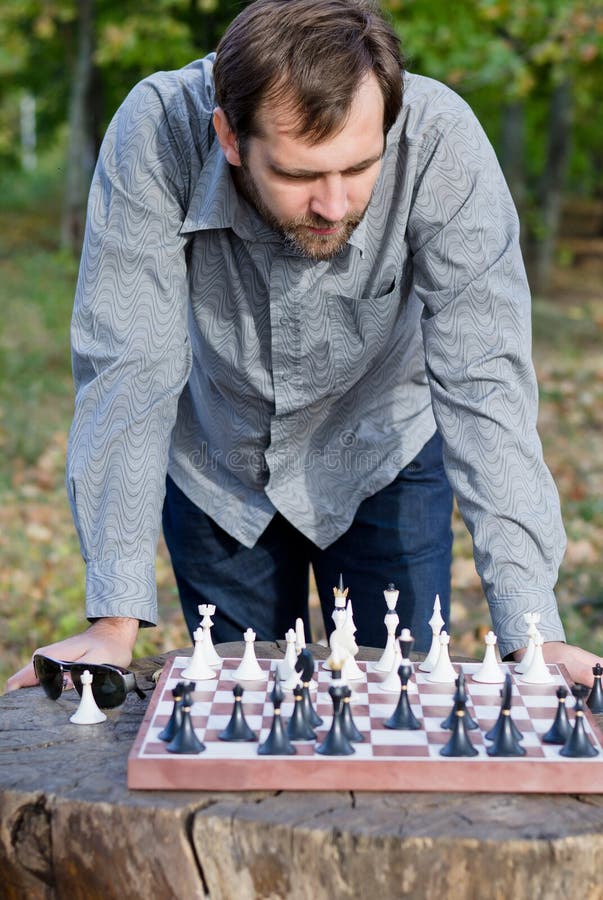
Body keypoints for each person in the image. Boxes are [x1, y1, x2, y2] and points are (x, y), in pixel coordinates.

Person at [7, 0, 599, 692]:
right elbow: (129, 367)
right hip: (219, 470)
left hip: (384, 455)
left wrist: (534, 631)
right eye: (298, 176)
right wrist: (111, 623)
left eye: (358, 169)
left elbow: (484, 380)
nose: (334, 205)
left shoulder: (441, 140)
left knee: (402, 706)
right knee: (248, 724)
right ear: (228, 136)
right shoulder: (157, 132)